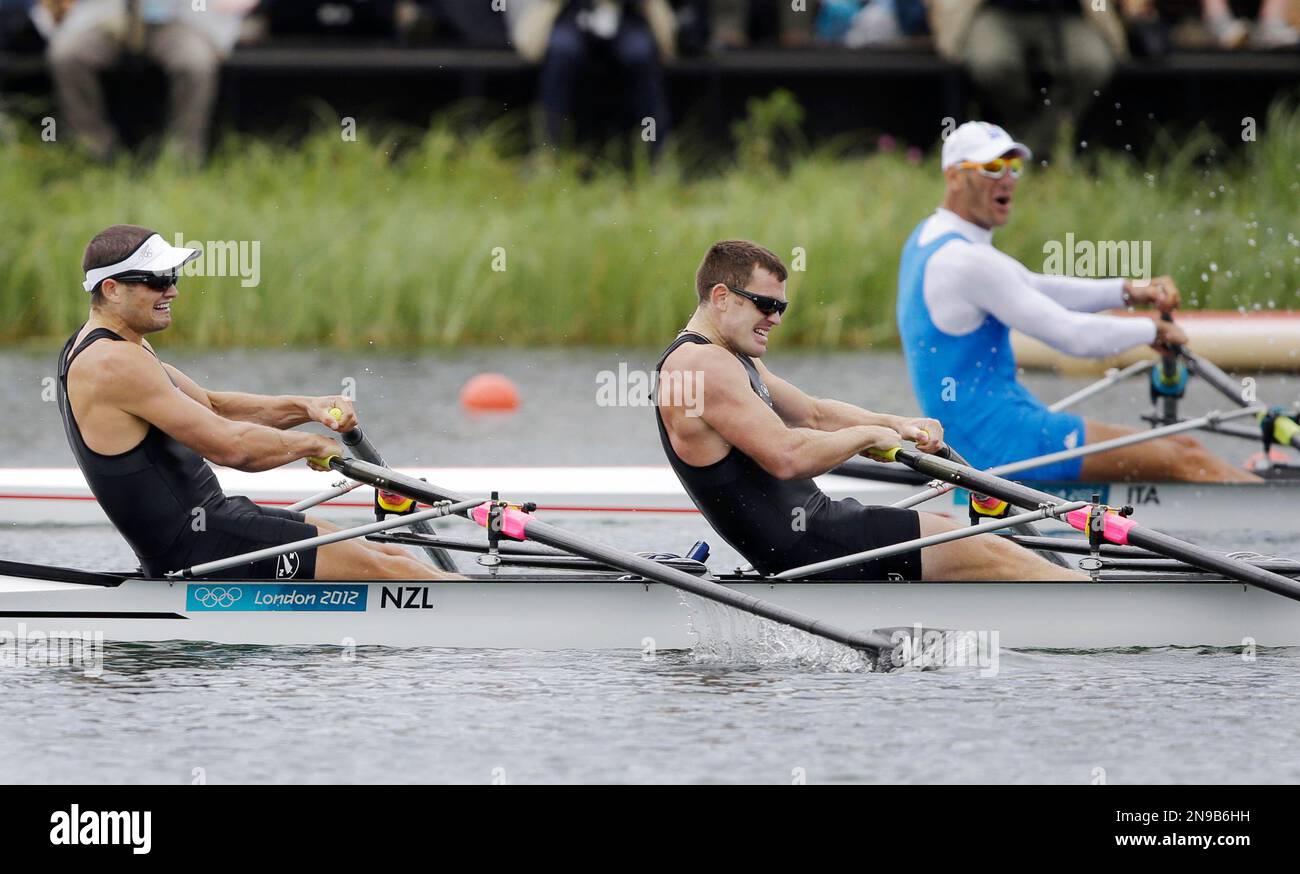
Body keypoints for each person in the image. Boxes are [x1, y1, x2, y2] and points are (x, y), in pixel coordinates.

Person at [655, 239, 1081, 582]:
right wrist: (867, 437)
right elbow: (786, 456)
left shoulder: (727, 356)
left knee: (967, 538)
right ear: (722, 296)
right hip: (810, 547)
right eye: (766, 306)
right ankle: (1089, 601)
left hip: (815, 534)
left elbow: (814, 414)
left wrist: (895, 424)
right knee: (992, 549)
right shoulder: (701, 366)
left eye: (781, 307)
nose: (776, 319)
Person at [59, 224, 459, 581]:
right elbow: (230, 447)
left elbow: (214, 407)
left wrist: (307, 408)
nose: (173, 290)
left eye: (173, 276)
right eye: (157, 279)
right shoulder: (111, 362)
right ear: (111, 289)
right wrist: (311, 444)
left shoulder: (118, 343)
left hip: (215, 522)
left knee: (388, 553)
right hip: (198, 547)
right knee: (400, 572)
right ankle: (490, 625)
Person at [897, 121, 1259, 484]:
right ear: (955, 177)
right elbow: (1072, 336)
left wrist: (1127, 291)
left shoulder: (930, 237)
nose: (1007, 179)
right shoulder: (968, 260)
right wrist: (1150, 328)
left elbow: (1032, 286)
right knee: (1188, 459)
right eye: (991, 168)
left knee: (1181, 446)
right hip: (1000, 444)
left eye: (1013, 167)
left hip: (981, 432)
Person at [39, 0, 255, 162]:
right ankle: (92, 153)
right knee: (66, 55)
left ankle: (183, 160)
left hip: (180, 17)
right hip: (105, 14)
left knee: (194, 63)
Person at [927, 0, 1126, 159]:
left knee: (1091, 63)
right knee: (993, 63)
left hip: (1069, 14)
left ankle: (1030, 148)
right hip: (994, 11)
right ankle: (1034, 145)